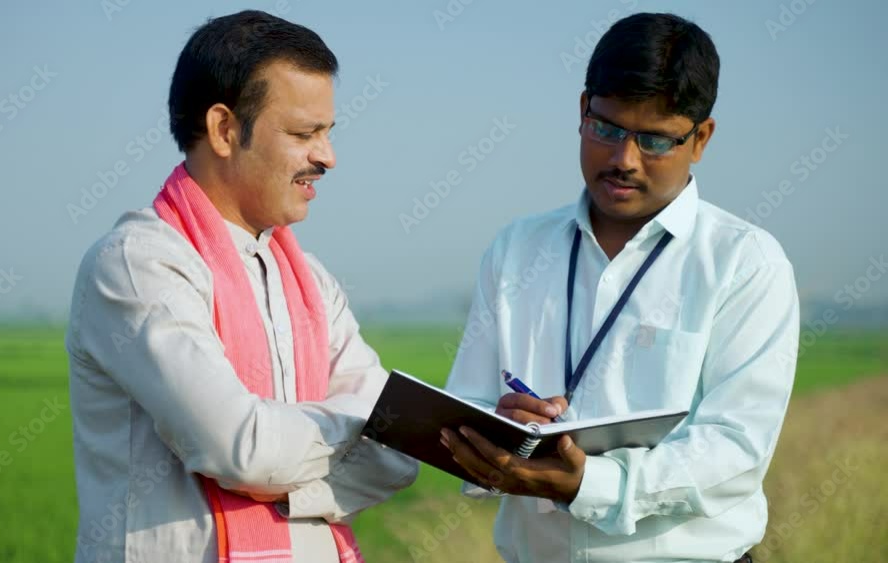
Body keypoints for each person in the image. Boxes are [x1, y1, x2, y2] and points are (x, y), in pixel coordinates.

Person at [442, 12, 797, 563]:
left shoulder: (743, 263)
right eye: (606, 129)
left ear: (701, 138)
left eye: (655, 140)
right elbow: (466, 406)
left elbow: (735, 450)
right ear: (583, 110)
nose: (623, 160)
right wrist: (501, 429)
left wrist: (590, 484)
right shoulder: (518, 249)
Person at [65, 10, 418, 563]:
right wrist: (361, 431)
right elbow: (239, 447)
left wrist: (298, 457)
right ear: (225, 130)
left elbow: (399, 451)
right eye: (305, 134)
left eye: (327, 133)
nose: (327, 156)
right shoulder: (138, 266)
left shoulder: (310, 280)